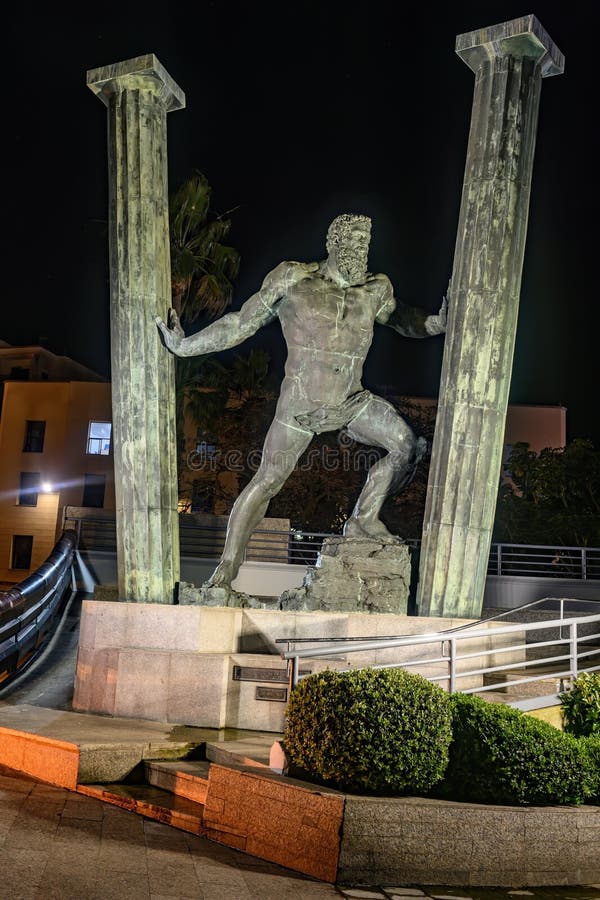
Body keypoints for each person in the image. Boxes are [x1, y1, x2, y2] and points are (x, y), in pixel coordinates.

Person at [156, 213, 447, 591]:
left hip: (352, 402)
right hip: (302, 406)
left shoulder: (376, 290)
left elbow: (405, 320)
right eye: (355, 241)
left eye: (366, 242)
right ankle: (226, 571)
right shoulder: (294, 278)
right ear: (333, 242)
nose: (361, 249)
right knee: (268, 482)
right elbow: (241, 323)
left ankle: (363, 519)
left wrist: (439, 323)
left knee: (408, 447)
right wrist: (184, 346)